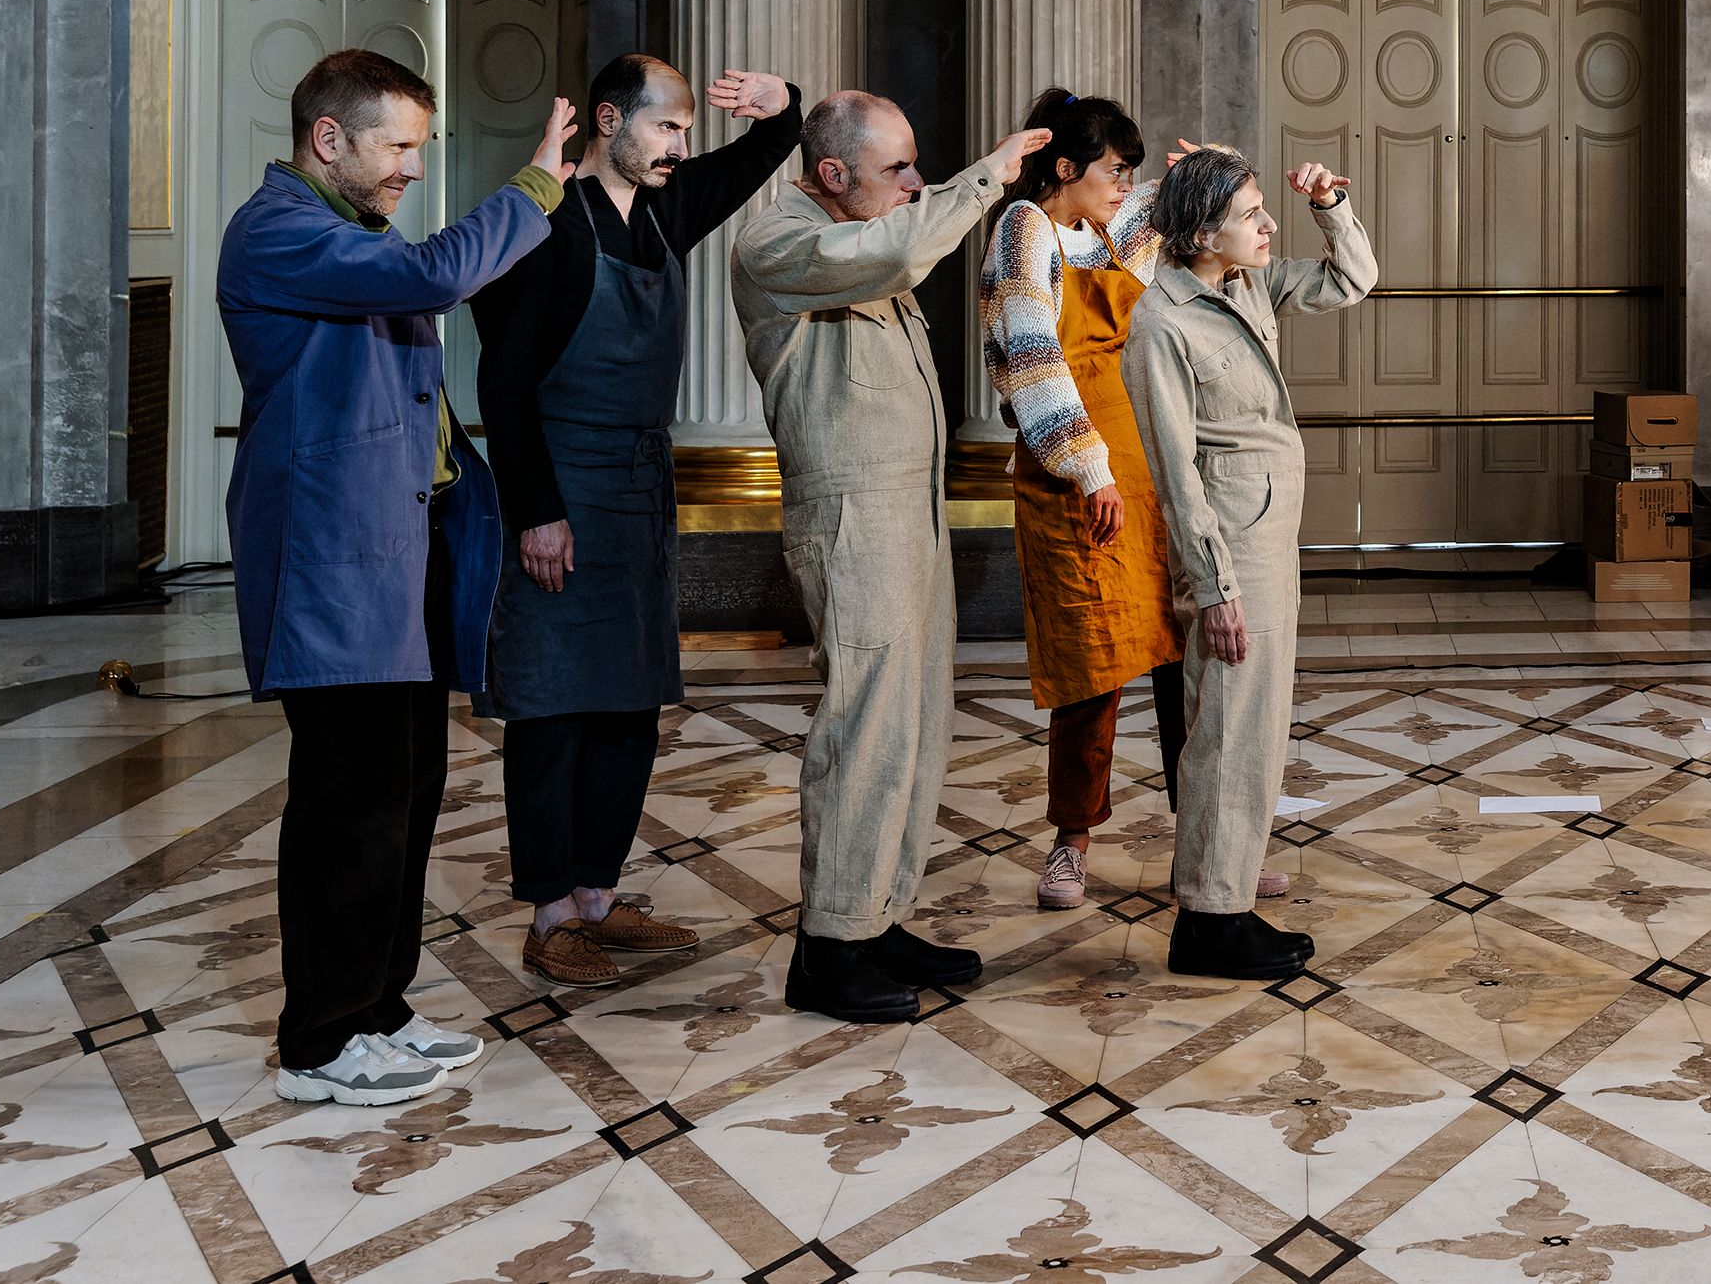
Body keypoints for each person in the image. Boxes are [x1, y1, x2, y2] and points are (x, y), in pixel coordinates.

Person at [220, 48, 575, 1106]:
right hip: (335, 560)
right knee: (349, 801)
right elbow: (432, 276)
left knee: (408, 791)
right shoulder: (278, 229)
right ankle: (320, 1040)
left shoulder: (345, 230)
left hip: (396, 553)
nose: (414, 166)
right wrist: (538, 182)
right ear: (329, 137)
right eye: (400, 145)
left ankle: (378, 1006)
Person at [472, 53, 802, 986]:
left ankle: (595, 900)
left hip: (638, 490)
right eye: (665, 127)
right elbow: (503, 378)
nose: (679, 147)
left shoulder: (663, 206)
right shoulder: (548, 223)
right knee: (552, 707)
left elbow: (754, 158)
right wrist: (536, 511)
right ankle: (547, 915)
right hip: (562, 489)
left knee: (627, 705)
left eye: (686, 132)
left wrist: (784, 112)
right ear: (609, 120)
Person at [733, 92, 1050, 1023]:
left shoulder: (854, 220)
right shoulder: (781, 239)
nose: (913, 185)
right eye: (898, 170)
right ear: (833, 175)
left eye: (918, 168)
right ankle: (829, 946)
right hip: (851, 515)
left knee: (914, 717)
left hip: (908, 508)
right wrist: (983, 177)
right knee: (864, 722)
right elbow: (902, 248)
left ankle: (877, 917)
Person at [1122, 146, 1374, 981]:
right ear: (1201, 232)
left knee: (1256, 728)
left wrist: (1328, 202)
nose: (1267, 225)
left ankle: (1226, 900)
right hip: (1230, 546)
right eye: (1251, 214)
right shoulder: (1162, 322)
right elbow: (1174, 469)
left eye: (1266, 210)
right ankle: (1208, 920)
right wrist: (1215, 586)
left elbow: (1354, 279)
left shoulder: (1245, 284)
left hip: (1270, 538)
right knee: (1227, 729)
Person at [981, 91, 1222, 915]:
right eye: (1114, 170)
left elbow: (1153, 226)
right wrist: (1090, 472)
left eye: (1131, 171)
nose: (1126, 183)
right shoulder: (1024, 231)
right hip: (1077, 472)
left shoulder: (1100, 229)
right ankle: (1072, 839)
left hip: (1148, 459)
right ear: (1064, 170)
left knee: (1180, 652)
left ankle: (1209, 841)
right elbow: (1032, 356)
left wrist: (1191, 178)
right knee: (1095, 660)